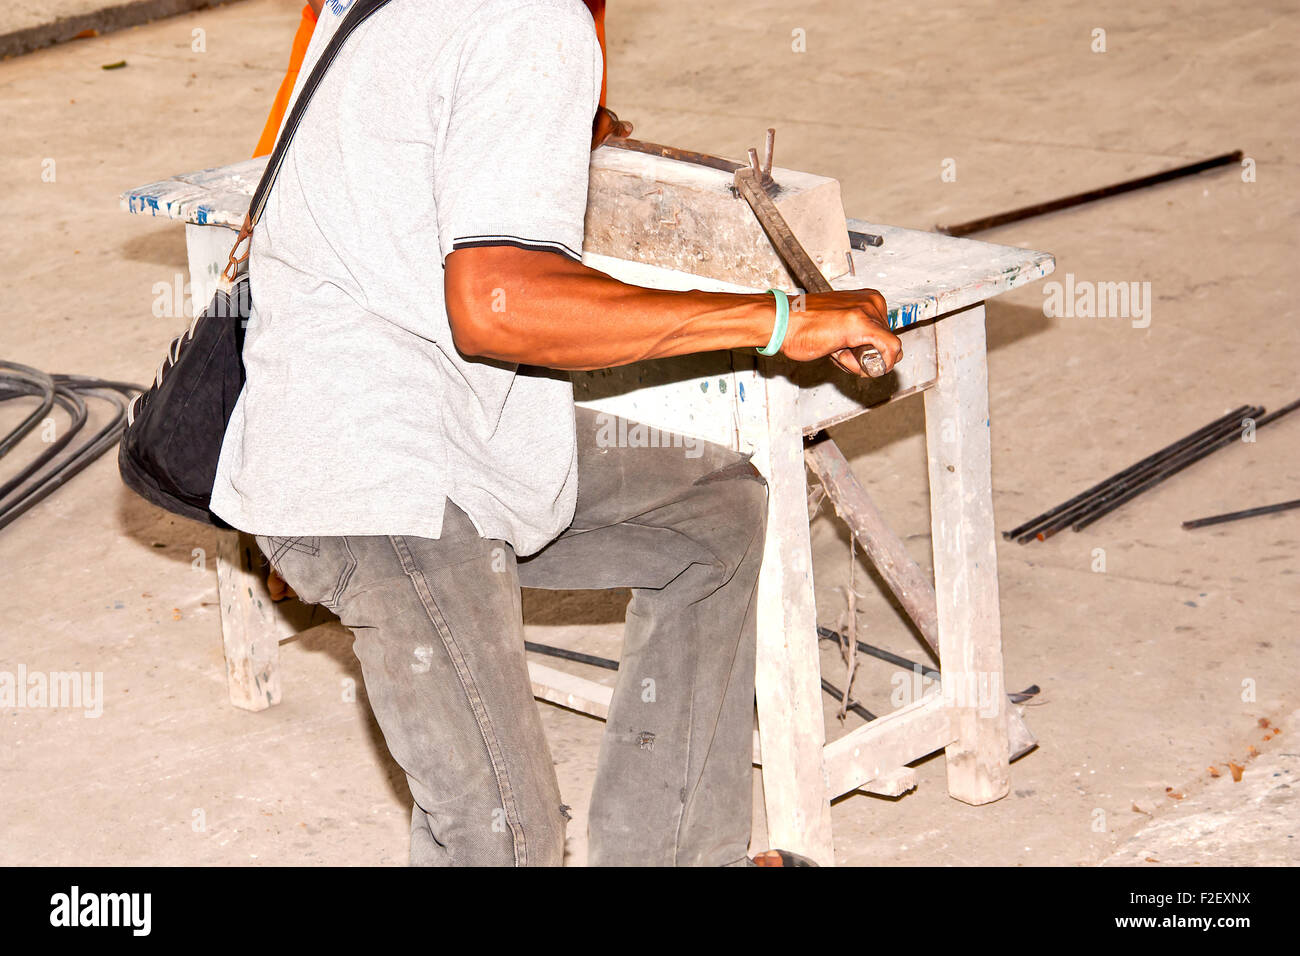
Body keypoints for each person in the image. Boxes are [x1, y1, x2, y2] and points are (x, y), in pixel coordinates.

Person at [211, 0, 900, 866]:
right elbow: (498, 305)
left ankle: (671, 854)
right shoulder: (534, 19)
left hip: (429, 420)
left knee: (711, 518)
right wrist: (777, 320)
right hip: (372, 474)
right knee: (501, 835)